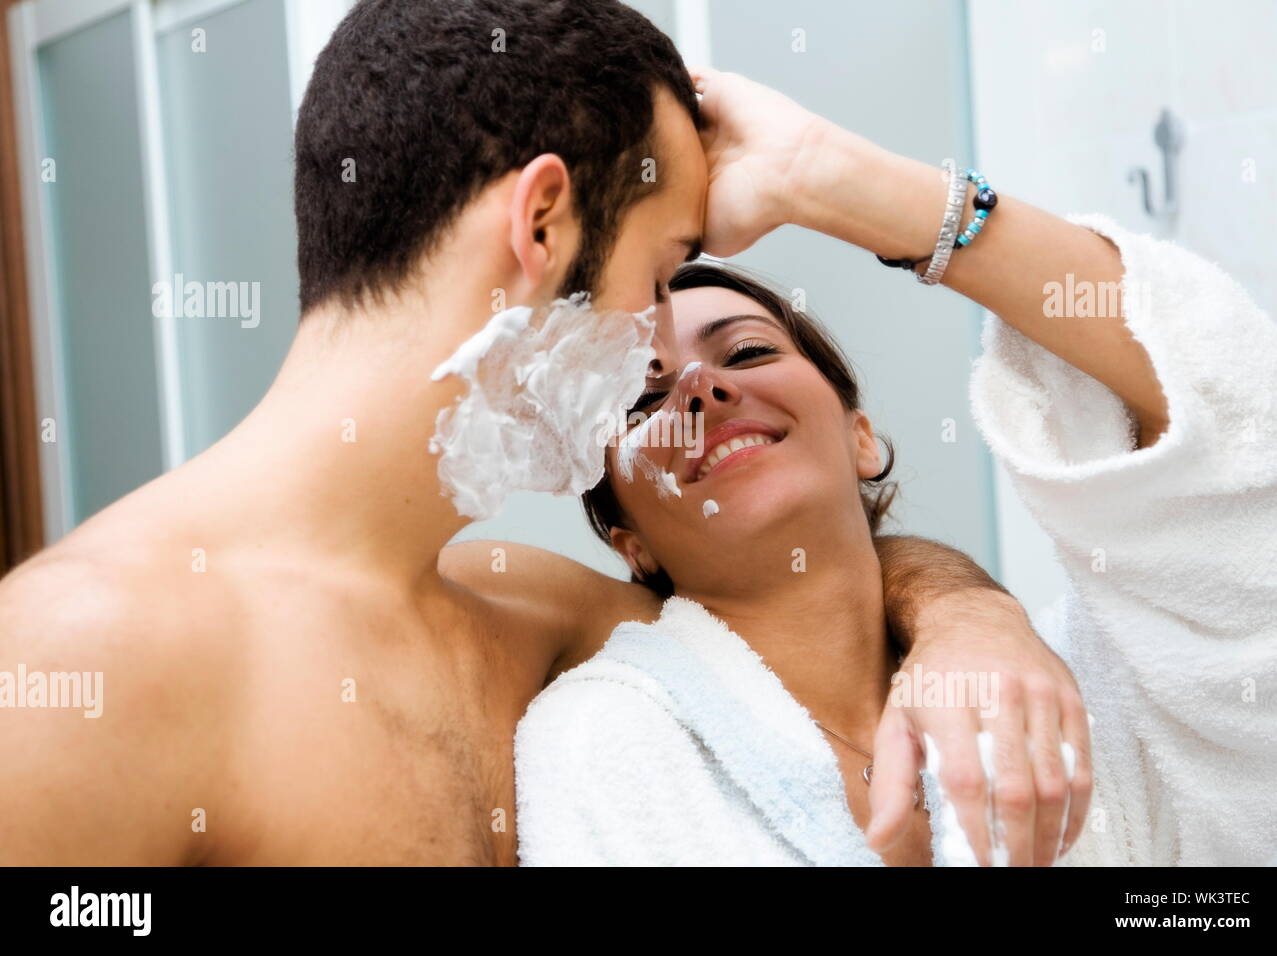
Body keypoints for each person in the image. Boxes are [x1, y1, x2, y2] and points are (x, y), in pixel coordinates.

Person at [0, 1, 1074, 865]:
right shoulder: (80, 657)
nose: (667, 354)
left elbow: (811, 585)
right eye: (660, 274)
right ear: (543, 222)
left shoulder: (523, 613)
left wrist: (973, 623)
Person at [513, 70, 1277, 867]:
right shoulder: (606, 743)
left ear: (860, 436)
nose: (702, 388)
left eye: (747, 351)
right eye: (643, 400)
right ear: (627, 540)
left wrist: (825, 175)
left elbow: (1250, 450)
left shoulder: (1069, 692)